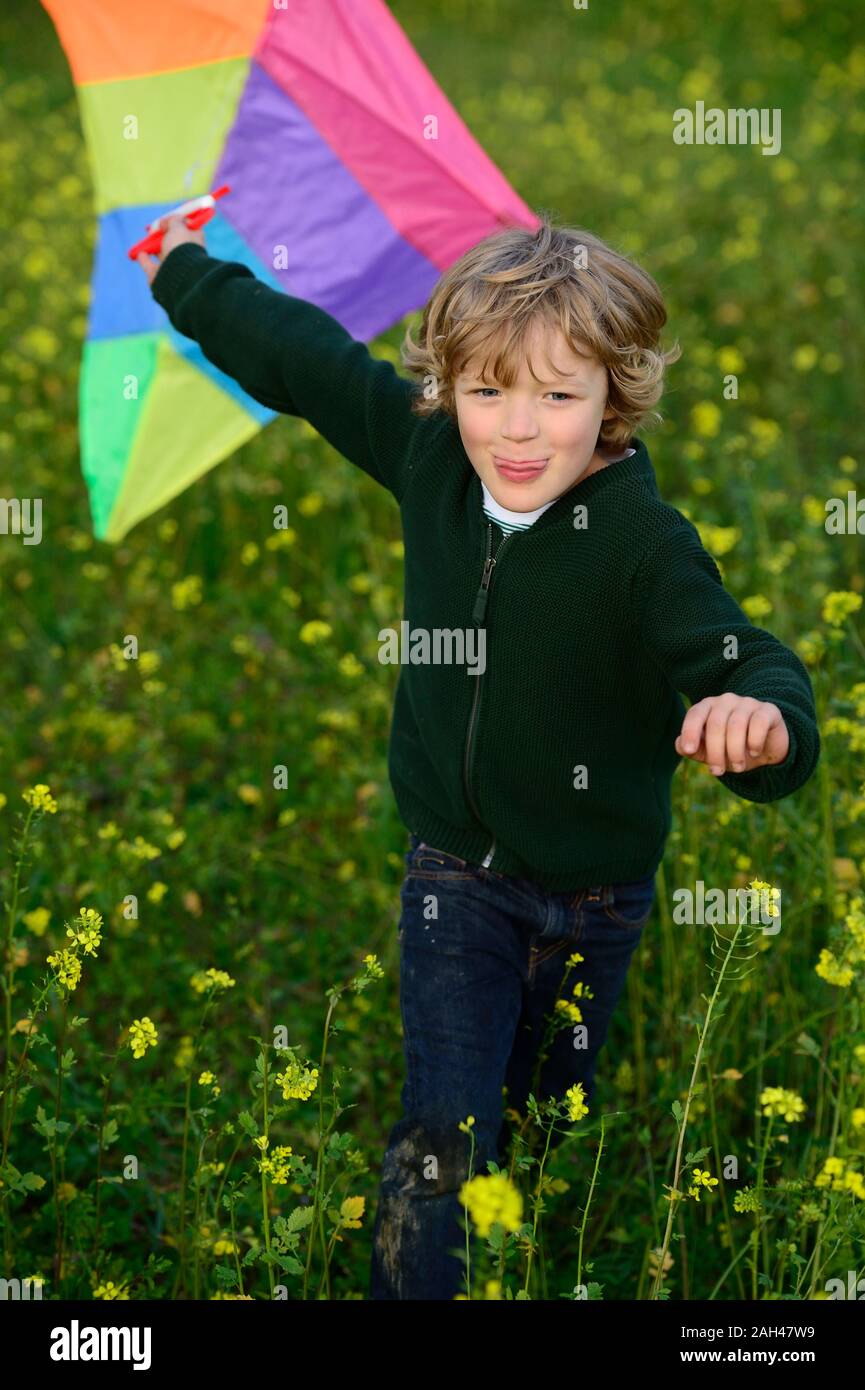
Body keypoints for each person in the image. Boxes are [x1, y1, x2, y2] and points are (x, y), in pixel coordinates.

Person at [139, 216, 820, 1300]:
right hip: (453, 875)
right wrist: (183, 273)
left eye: (557, 396)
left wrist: (761, 723)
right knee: (445, 1133)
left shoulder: (643, 547)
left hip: (598, 896)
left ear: (615, 398)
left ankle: (531, 1255)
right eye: (486, 392)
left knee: (550, 1116)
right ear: (443, 385)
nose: (515, 431)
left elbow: (756, 663)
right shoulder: (429, 458)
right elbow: (302, 359)